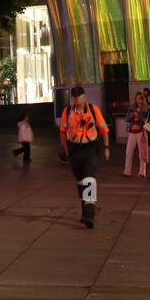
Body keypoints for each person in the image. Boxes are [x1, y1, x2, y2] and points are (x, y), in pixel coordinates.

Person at [58, 85, 109, 228]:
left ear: (84, 97)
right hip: (74, 151)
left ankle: (89, 214)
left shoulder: (93, 110)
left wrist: (106, 147)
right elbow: (62, 132)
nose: (76, 99)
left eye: (78, 96)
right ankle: (84, 211)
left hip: (90, 149)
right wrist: (67, 151)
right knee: (81, 181)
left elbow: (104, 129)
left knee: (89, 179)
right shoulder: (67, 112)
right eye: (74, 96)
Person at [123, 93, 149, 177]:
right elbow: (126, 118)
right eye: (136, 98)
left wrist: (139, 116)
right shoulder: (132, 107)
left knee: (141, 153)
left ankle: (142, 172)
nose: (138, 100)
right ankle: (127, 171)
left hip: (141, 131)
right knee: (128, 152)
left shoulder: (145, 108)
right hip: (132, 132)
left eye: (139, 98)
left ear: (142, 99)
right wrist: (131, 116)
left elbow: (147, 121)